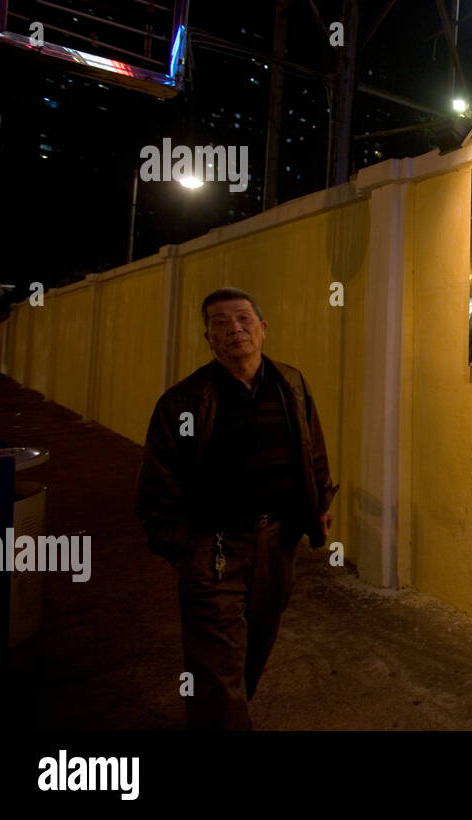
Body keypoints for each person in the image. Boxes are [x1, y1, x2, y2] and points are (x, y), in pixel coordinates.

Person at [135, 287, 337, 729]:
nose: (235, 330)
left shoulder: (292, 384)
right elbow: (157, 481)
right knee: (216, 659)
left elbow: (312, 449)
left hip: (276, 541)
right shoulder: (183, 402)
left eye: (244, 319)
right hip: (214, 547)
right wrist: (184, 549)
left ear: (262, 330)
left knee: (256, 645)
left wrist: (319, 503)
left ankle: (219, 713)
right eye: (221, 322)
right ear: (208, 337)